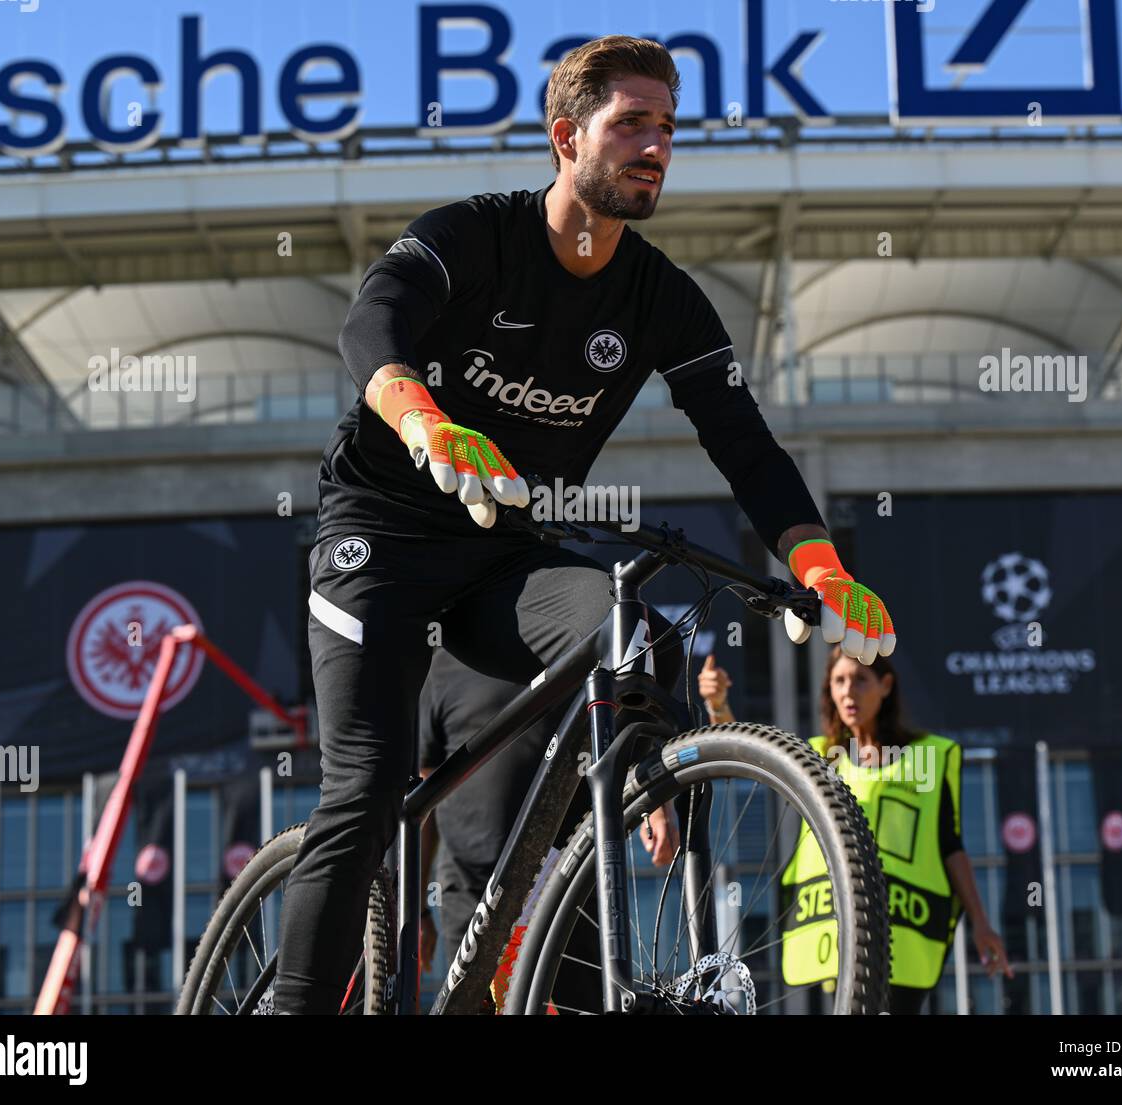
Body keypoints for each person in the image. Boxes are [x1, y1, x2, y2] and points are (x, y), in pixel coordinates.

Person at [272, 35, 895, 1013]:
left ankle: (622, 815)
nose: (656, 145)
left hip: (499, 560)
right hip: (375, 546)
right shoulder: (477, 235)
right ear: (567, 136)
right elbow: (372, 318)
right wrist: (424, 417)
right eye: (632, 123)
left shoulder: (660, 298)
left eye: (668, 127)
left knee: (630, 630)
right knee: (370, 786)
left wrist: (818, 566)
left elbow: (746, 445)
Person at [699, 650, 1010, 1013]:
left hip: (905, 936)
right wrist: (718, 707)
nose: (849, 692)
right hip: (836, 934)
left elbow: (950, 846)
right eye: (839, 681)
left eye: (861, 679)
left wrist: (981, 924)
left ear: (886, 686)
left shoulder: (928, 756)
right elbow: (750, 760)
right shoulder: (819, 757)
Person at [417, 646, 677, 1007]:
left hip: (564, 873)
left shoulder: (563, 636)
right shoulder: (445, 662)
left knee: (582, 1002)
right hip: (472, 884)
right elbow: (426, 790)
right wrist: (417, 908)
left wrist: (657, 805)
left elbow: (622, 728)